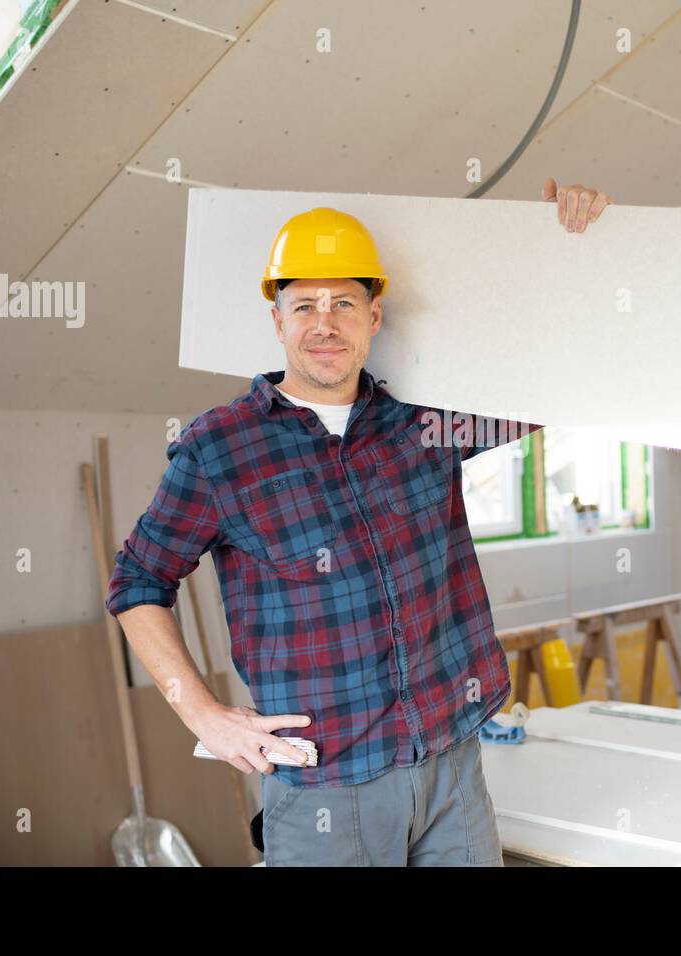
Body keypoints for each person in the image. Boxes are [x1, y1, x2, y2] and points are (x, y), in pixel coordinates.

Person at [107, 178, 611, 866]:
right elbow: (137, 580)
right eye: (304, 304)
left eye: (344, 303)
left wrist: (565, 246)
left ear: (375, 318)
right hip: (326, 789)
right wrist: (201, 713)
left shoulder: (425, 424)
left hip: (451, 769)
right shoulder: (220, 450)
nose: (324, 323)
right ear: (277, 320)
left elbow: (557, 375)